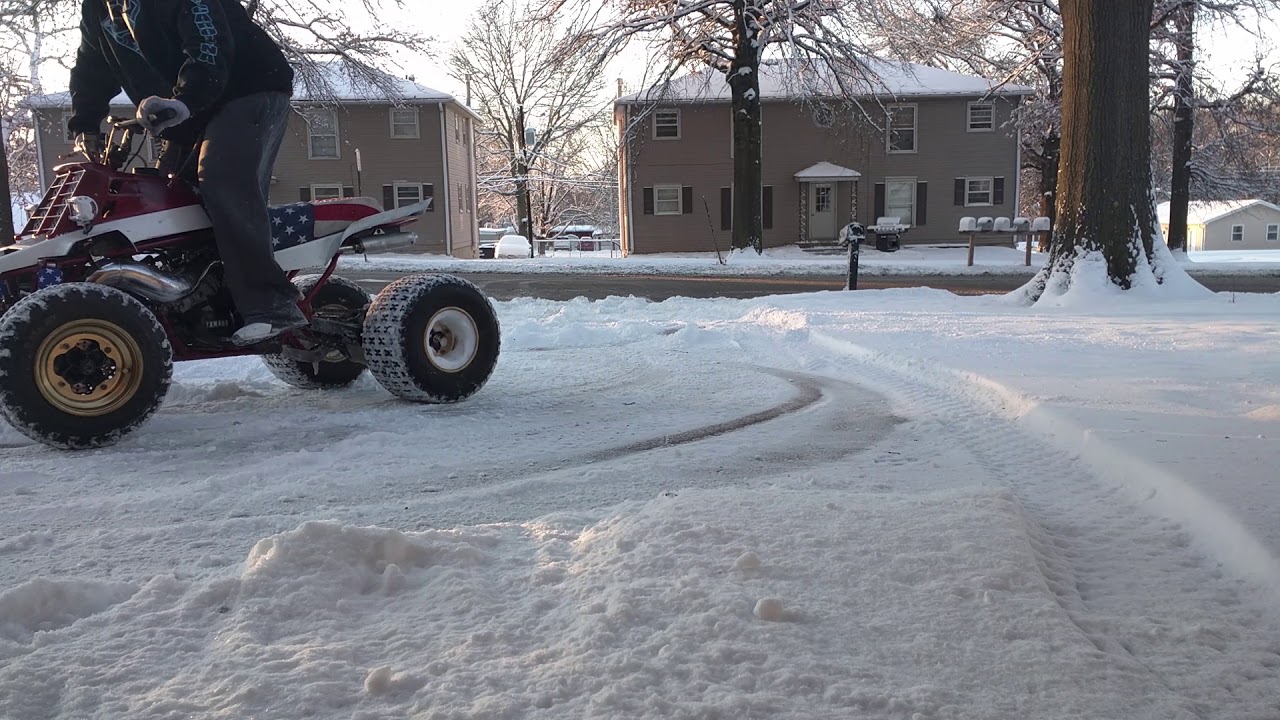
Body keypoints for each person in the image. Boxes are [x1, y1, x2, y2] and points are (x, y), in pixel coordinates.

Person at [67, 0, 306, 346]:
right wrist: (85, 123)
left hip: (247, 88)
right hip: (192, 106)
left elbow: (208, 45)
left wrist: (186, 99)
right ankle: (202, 300)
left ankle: (272, 306)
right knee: (168, 198)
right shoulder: (97, 8)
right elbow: (91, 65)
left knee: (221, 181)